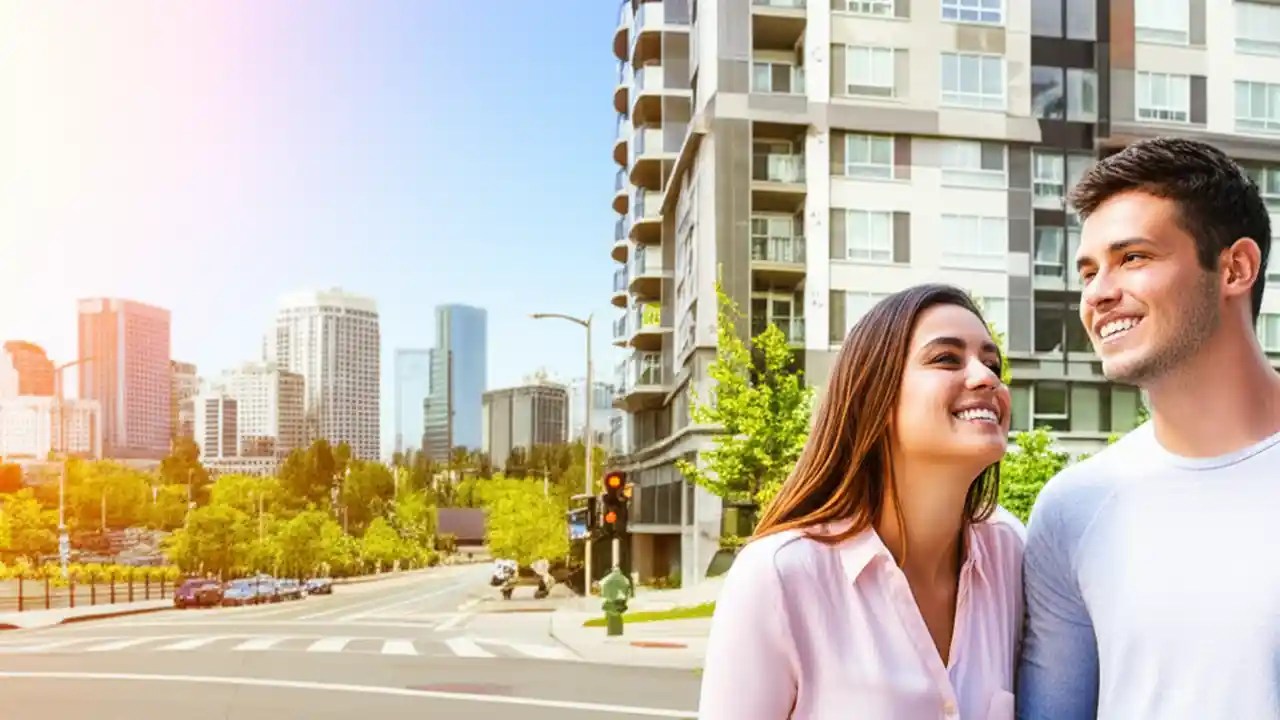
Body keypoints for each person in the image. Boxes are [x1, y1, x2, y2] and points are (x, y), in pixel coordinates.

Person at [1017, 137, 1280, 719]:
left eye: (1132, 257)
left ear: (1236, 267)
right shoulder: (1072, 508)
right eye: (1089, 271)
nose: (1099, 294)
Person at [698, 284, 1024, 720]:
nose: (987, 378)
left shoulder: (1012, 553)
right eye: (946, 358)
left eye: (992, 363)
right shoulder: (778, 576)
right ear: (876, 396)